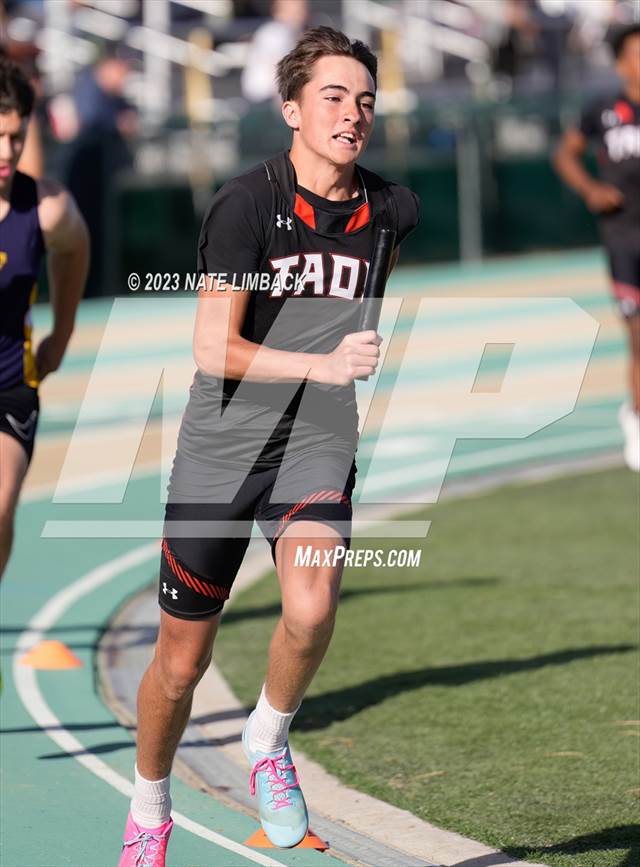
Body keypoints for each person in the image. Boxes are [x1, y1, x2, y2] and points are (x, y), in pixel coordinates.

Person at [117, 26, 419, 867]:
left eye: (365, 100)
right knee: (180, 661)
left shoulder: (394, 210)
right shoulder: (247, 205)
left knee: (313, 604)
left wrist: (330, 371)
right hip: (223, 442)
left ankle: (268, 736)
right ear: (290, 109)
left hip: (317, 435)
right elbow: (213, 346)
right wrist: (321, 360)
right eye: (332, 96)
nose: (353, 113)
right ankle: (149, 806)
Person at [0, 57, 89, 577]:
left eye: (16, 136)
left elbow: (74, 250)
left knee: (1, 503)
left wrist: (64, 331)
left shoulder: (46, 208)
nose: (7, 151)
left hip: (11, 384)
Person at [554, 23, 640, 472]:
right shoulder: (604, 109)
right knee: (638, 335)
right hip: (625, 238)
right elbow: (565, 153)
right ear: (621, 61)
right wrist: (591, 189)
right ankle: (636, 416)